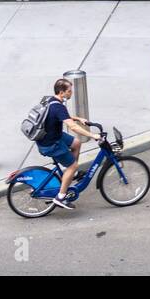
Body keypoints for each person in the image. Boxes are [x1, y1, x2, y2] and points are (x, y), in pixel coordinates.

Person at [36, 77, 98, 210]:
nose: (71, 93)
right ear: (61, 92)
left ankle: (71, 174)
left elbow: (63, 116)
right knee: (73, 165)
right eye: (69, 91)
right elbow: (73, 127)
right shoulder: (58, 107)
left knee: (76, 143)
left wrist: (78, 118)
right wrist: (93, 135)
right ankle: (61, 197)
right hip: (51, 143)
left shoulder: (51, 100)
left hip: (51, 136)